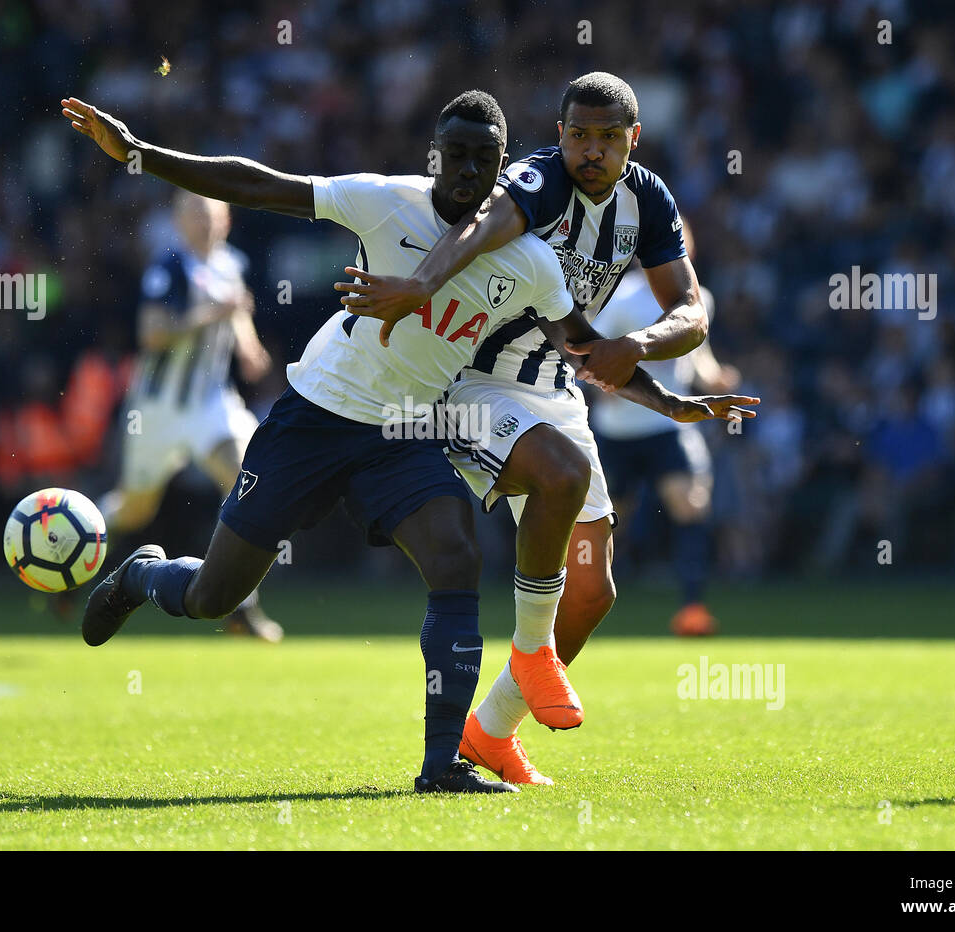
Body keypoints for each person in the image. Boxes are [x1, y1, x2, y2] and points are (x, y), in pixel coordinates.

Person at [337, 73, 753, 785]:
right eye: (578, 134)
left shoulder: (646, 199)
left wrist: (647, 356)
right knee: (563, 474)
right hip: (471, 381)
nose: (591, 151)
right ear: (559, 133)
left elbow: (691, 310)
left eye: (607, 138)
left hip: (557, 391)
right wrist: (422, 285)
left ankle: (490, 731)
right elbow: (476, 227)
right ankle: (528, 658)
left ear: (634, 139)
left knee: (592, 595)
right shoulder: (536, 183)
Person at [99, 191, 282, 641]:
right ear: (179, 222)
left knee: (248, 483)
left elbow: (235, 311)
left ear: (227, 219)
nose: (204, 222)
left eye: (212, 214)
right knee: (136, 508)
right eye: (194, 214)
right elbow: (151, 334)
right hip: (159, 410)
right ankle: (75, 548)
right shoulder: (170, 267)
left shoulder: (233, 263)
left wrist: (249, 347)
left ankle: (239, 603)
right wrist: (209, 316)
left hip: (212, 404)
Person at [591, 218, 741, 636]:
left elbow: (696, 355)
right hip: (619, 430)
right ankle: (584, 607)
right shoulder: (622, 298)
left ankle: (692, 609)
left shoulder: (699, 299)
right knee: (605, 522)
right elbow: (592, 352)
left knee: (691, 504)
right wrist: (605, 383)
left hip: (669, 426)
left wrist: (715, 380)